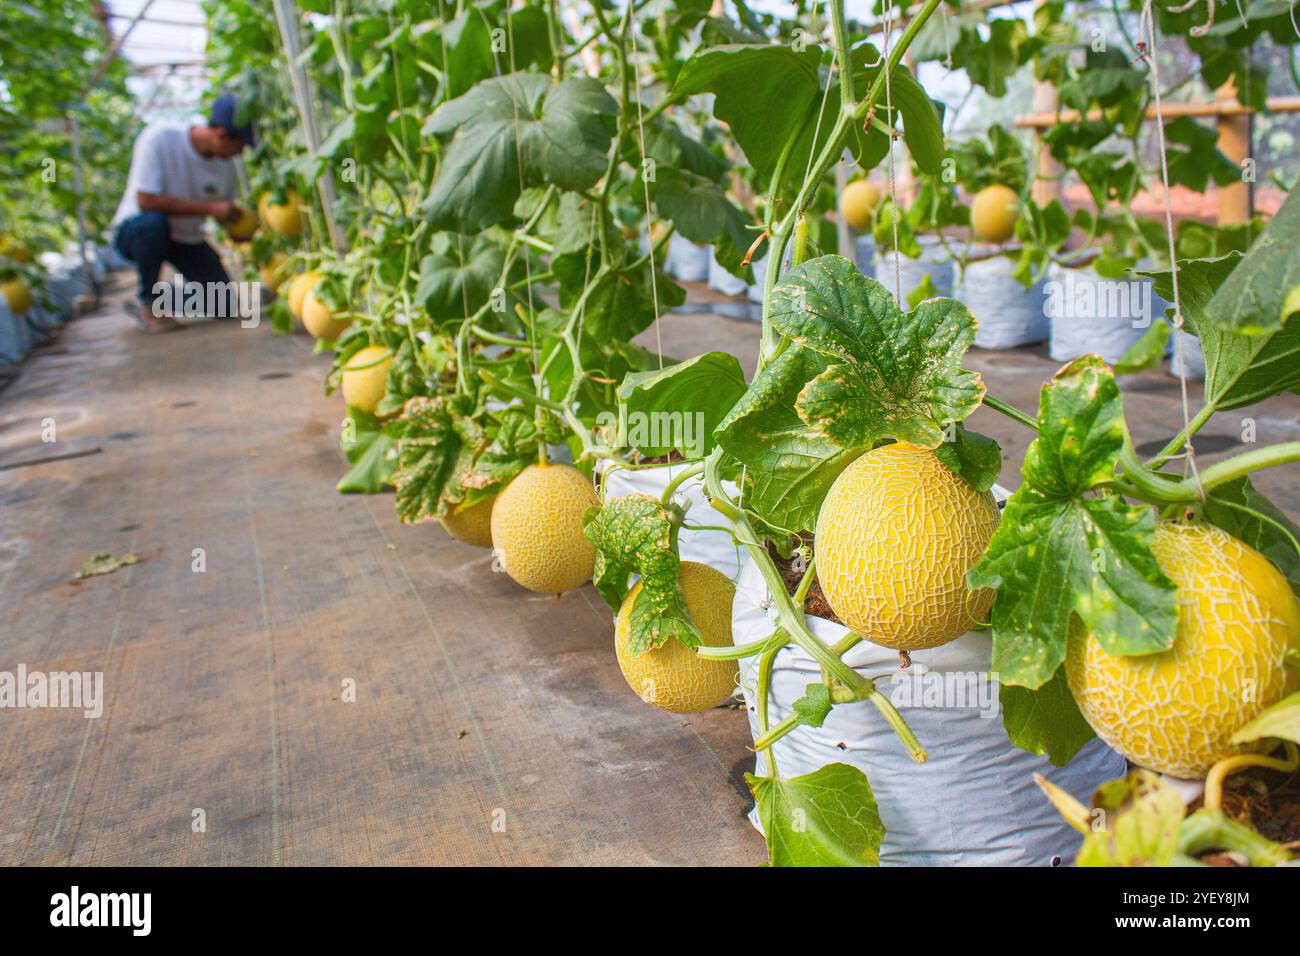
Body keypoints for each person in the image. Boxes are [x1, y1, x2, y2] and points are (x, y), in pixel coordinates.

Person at [110, 95, 255, 333]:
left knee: (224, 304)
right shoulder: (159, 139)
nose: (240, 153)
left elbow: (223, 216)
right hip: (137, 232)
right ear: (221, 134)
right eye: (240, 146)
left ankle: (160, 299)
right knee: (153, 224)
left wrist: (241, 229)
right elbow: (146, 201)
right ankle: (148, 302)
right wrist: (210, 208)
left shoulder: (225, 167)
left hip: (184, 238)